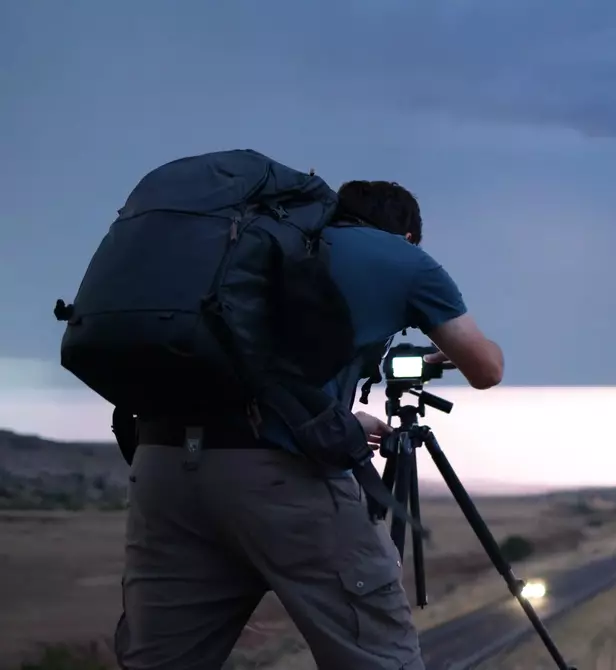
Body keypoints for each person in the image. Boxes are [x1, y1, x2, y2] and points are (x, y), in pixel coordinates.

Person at [114, 180, 504, 670]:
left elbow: (260, 365)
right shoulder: (401, 258)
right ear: (406, 235)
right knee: (378, 653)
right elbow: (486, 370)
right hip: (277, 475)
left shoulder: (265, 249)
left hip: (162, 467)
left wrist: (337, 420)